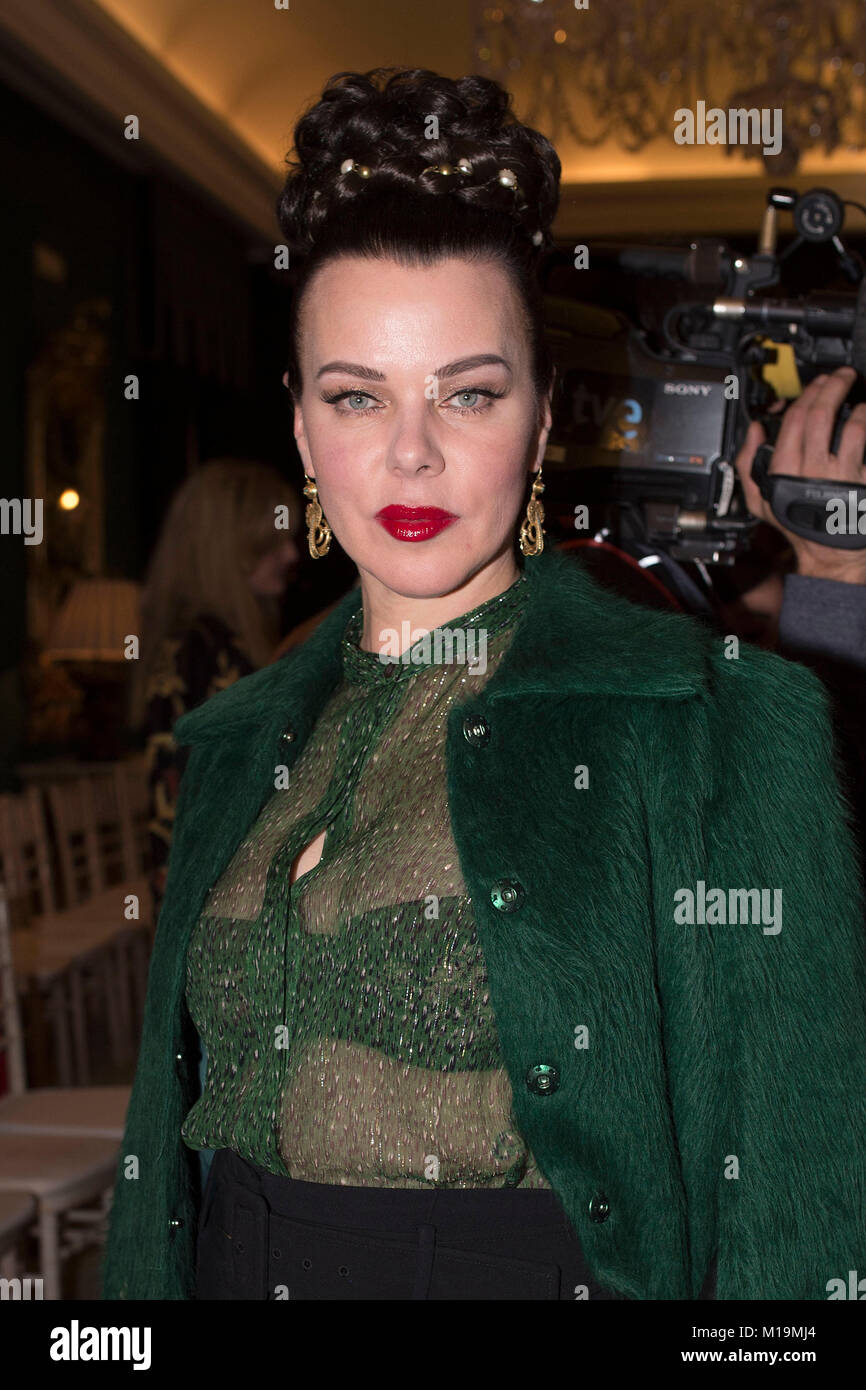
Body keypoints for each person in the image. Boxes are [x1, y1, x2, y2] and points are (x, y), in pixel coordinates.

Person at [103, 67, 866, 1302]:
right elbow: (159, 1177)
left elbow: (801, 1221)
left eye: (467, 392)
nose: (410, 450)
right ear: (301, 429)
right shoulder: (237, 744)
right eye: (357, 396)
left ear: (543, 416)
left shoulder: (719, 730)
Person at [129, 459, 301, 916]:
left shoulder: (214, 644)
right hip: (220, 906)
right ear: (230, 547)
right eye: (273, 541)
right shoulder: (196, 651)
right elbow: (185, 802)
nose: (291, 555)